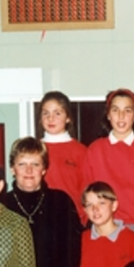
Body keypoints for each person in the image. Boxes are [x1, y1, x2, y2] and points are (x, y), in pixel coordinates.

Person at [0, 136, 83, 267]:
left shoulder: (60, 201)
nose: (29, 171)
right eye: (22, 164)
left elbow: (71, 254)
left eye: (35, 164)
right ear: (12, 168)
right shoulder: (1, 205)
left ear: (44, 169)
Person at [83, 88, 134, 230]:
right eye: (115, 110)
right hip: (109, 225)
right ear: (108, 115)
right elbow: (85, 191)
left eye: (127, 110)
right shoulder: (95, 150)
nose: (121, 116)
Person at [37, 91, 88, 222]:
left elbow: (86, 190)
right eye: (45, 113)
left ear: (68, 117)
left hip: (71, 220)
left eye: (57, 113)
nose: (50, 118)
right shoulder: (34, 148)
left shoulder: (81, 151)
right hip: (40, 219)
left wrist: (82, 218)